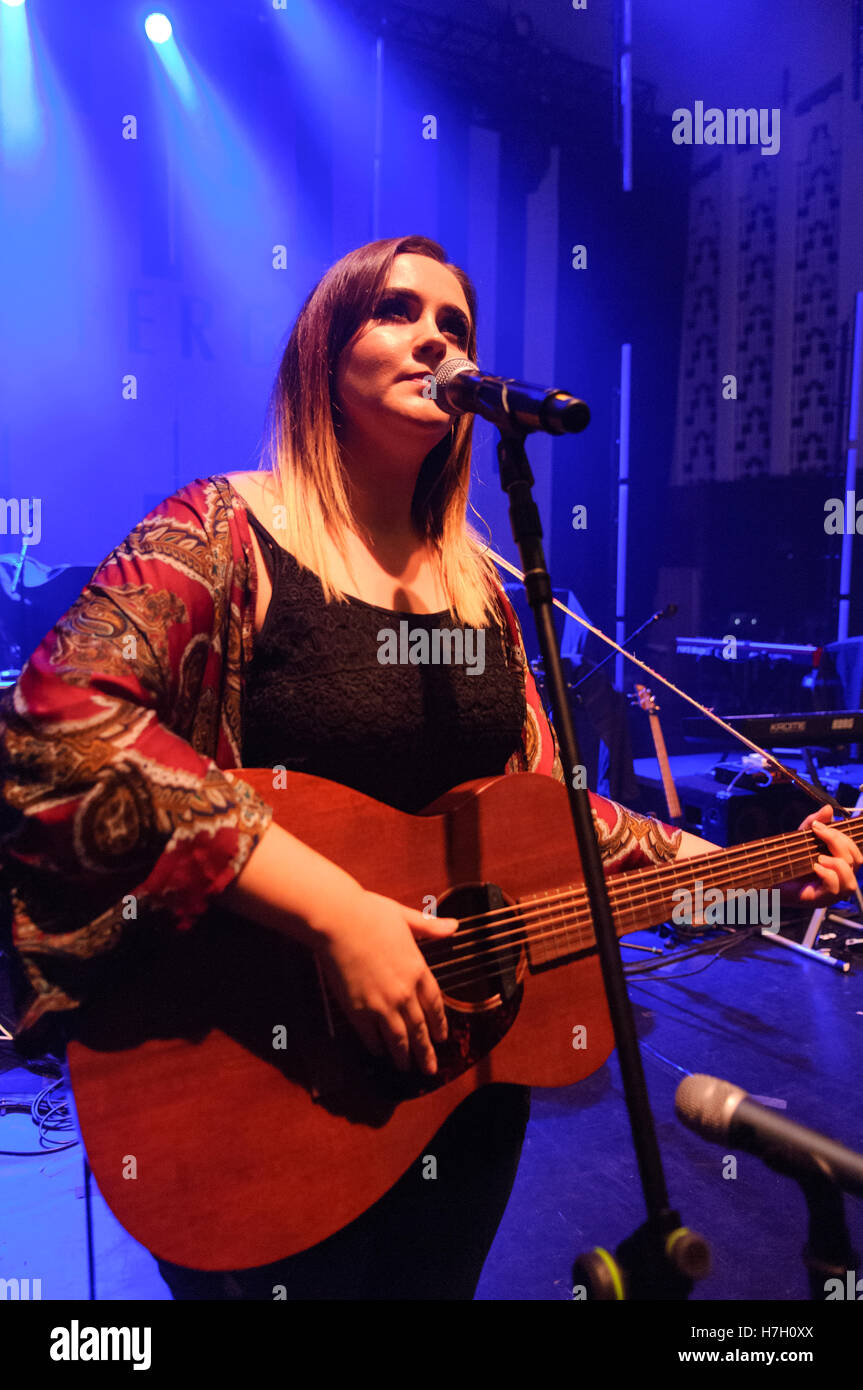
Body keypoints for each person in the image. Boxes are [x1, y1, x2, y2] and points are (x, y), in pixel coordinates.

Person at [0, 235, 859, 1301]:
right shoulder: (223, 527)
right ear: (324, 352)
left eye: (454, 325)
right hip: (256, 1069)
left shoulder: (478, 592)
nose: (435, 339)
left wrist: (751, 868)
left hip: (457, 1079)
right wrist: (336, 912)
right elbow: (55, 722)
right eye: (398, 312)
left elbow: (564, 819)